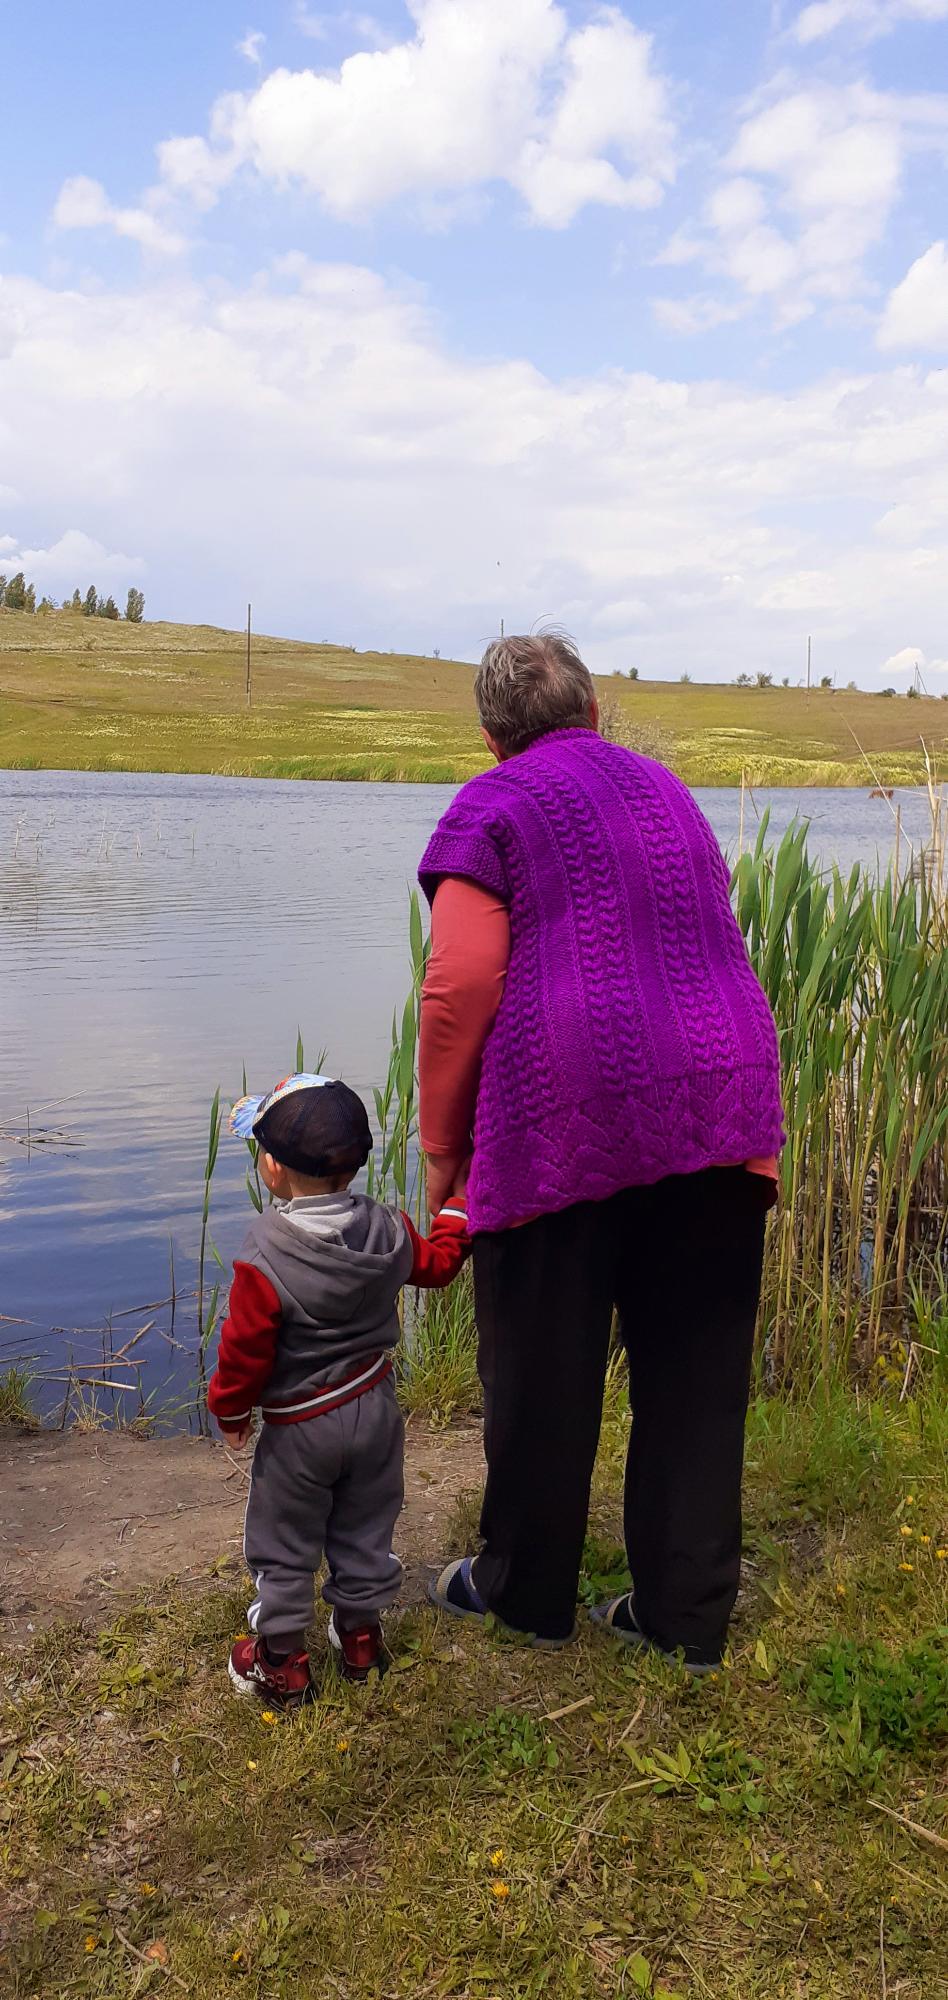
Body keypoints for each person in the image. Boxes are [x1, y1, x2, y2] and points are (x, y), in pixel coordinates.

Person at [419, 634, 783, 1671]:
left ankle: (525, 1592)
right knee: (697, 1370)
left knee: (542, 1364)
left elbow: (458, 986)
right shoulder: (667, 792)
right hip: (722, 1094)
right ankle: (685, 1616)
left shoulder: (490, 807)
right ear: (596, 706)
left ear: (490, 734)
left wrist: (443, 1152)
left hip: (568, 1108)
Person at [207, 1072, 467, 1704]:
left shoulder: (265, 1255)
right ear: (353, 1167)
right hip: (376, 1412)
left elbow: (244, 1352)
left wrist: (231, 1409)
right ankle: (358, 1639)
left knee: (285, 1542)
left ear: (271, 1170)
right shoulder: (388, 1228)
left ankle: (281, 1663)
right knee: (364, 1527)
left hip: (301, 1430)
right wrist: (457, 1210)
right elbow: (438, 1265)